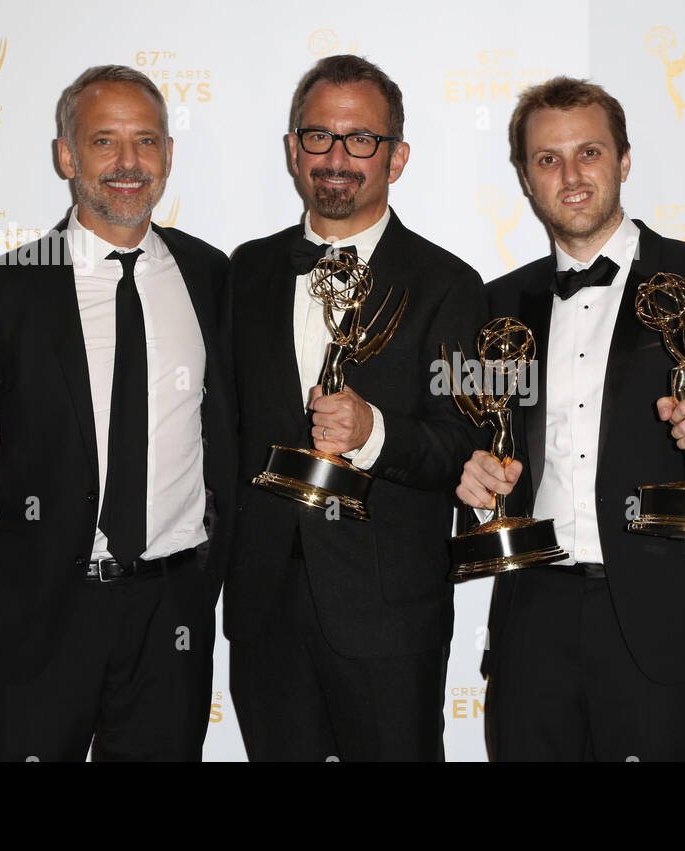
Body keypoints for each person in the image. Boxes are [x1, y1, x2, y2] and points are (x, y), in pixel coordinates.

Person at [0, 65, 234, 760]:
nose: (128, 163)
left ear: (169, 153)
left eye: (146, 141)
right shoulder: (1, 289)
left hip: (170, 612)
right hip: (41, 611)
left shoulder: (213, 275)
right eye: (103, 141)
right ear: (66, 155)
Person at [456, 77, 685, 761]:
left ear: (624, 161)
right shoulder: (495, 304)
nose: (570, 174)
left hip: (668, 618)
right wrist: (475, 479)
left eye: (589, 152)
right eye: (547, 159)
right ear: (526, 179)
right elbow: (482, 445)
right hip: (533, 620)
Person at [225, 54, 487, 761]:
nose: (336, 158)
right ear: (292, 149)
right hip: (263, 608)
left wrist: (375, 433)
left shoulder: (451, 285)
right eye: (318, 136)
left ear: (396, 157)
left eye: (361, 139)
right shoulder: (244, 271)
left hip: (388, 615)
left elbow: (466, 444)